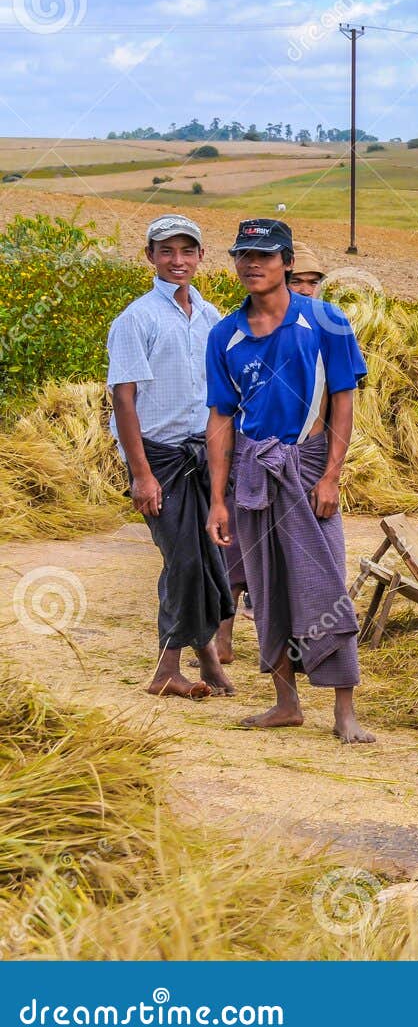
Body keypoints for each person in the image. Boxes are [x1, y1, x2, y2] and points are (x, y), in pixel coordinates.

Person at [204, 218, 374, 743]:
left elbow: (343, 400)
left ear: (288, 261)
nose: (253, 264)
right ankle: (286, 703)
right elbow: (220, 419)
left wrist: (331, 475)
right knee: (268, 587)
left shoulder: (326, 321)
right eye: (243, 255)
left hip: (306, 465)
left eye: (266, 255)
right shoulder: (224, 334)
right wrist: (218, 499)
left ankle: (344, 711)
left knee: (323, 583)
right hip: (254, 470)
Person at [106, 213, 234, 700]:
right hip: (159, 459)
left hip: (203, 454)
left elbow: (222, 392)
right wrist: (141, 474)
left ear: (201, 256)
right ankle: (167, 669)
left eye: (186, 251)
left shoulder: (212, 317)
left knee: (206, 560)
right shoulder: (136, 319)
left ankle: (203, 661)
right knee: (181, 560)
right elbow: (123, 398)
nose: (177, 261)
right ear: (150, 258)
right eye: (166, 252)